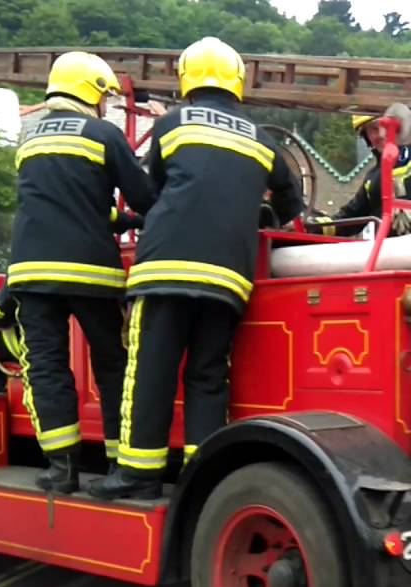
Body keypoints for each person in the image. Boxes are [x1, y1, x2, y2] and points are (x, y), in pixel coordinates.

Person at [87, 37, 304, 500]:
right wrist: (261, 216)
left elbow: (152, 193)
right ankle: (200, 482)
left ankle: (138, 476)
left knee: (152, 371)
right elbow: (292, 200)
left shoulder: (172, 124)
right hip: (228, 279)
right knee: (207, 377)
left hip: (166, 269)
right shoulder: (262, 140)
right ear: (237, 81)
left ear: (187, 79)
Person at [6, 51, 156, 494]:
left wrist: (117, 219)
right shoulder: (103, 134)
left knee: (46, 367)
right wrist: (147, 215)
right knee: (111, 365)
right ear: (91, 91)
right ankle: (117, 465)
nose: (105, 105)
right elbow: (143, 195)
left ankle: (61, 470)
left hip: (32, 270)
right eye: (103, 96)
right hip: (90, 271)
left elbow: (59, 201)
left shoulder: (29, 138)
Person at [313, 35, 411, 238]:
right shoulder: (372, 180)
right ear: (365, 137)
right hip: (388, 254)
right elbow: (348, 219)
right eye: (372, 129)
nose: (381, 134)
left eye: (383, 125)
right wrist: (309, 226)